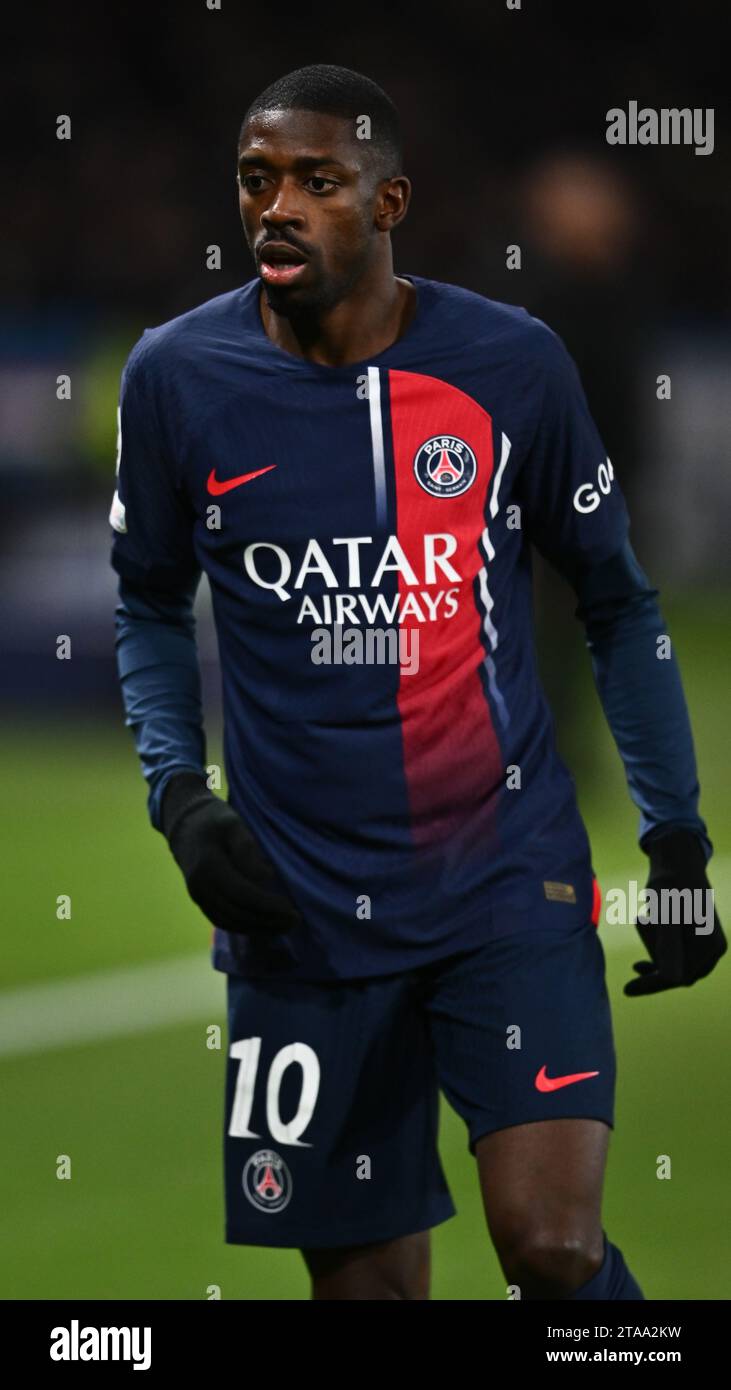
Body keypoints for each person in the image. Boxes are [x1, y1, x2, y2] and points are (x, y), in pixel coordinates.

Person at [110, 64, 725, 1301]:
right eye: (256, 180)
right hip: (295, 912)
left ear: (389, 203)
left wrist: (671, 842)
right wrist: (180, 798)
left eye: (316, 182)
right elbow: (147, 602)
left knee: (549, 1249)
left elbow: (614, 599)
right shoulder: (176, 377)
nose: (275, 207)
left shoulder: (510, 364)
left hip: (501, 879)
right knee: (369, 1296)